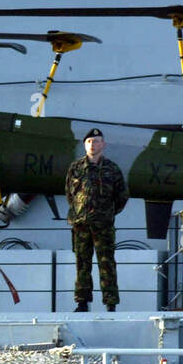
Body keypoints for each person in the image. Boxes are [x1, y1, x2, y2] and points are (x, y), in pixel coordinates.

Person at [65, 127, 129, 312]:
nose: (93, 144)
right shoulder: (76, 168)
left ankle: (110, 303)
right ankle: (82, 302)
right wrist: (80, 212)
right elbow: (70, 194)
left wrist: (107, 213)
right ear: (85, 145)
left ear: (103, 144)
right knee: (82, 263)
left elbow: (122, 196)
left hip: (104, 225)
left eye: (97, 141)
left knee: (106, 263)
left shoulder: (112, 169)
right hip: (81, 224)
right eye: (90, 142)